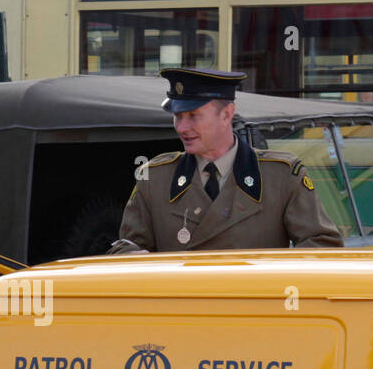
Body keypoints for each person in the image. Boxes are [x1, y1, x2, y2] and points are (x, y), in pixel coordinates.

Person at [109, 68, 342, 254]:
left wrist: (271, 280)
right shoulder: (156, 178)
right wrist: (134, 258)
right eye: (177, 116)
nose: (182, 128)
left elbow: (324, 247)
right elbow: (125, 246)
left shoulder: (280, 176)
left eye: (193, 116)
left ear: (227, 114)